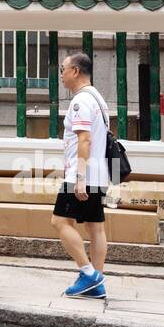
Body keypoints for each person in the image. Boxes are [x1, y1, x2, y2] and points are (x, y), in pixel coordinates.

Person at [50, 52, 112, 299]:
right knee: (95, 227)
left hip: (81, 173)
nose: (61, 75)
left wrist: (80, 178)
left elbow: (84, 139)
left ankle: (89, 274)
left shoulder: (80, 102)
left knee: (59, 221)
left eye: (63, 70)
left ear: (75, 71)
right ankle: (96, 283)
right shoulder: (98, 99)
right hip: (99, 173)